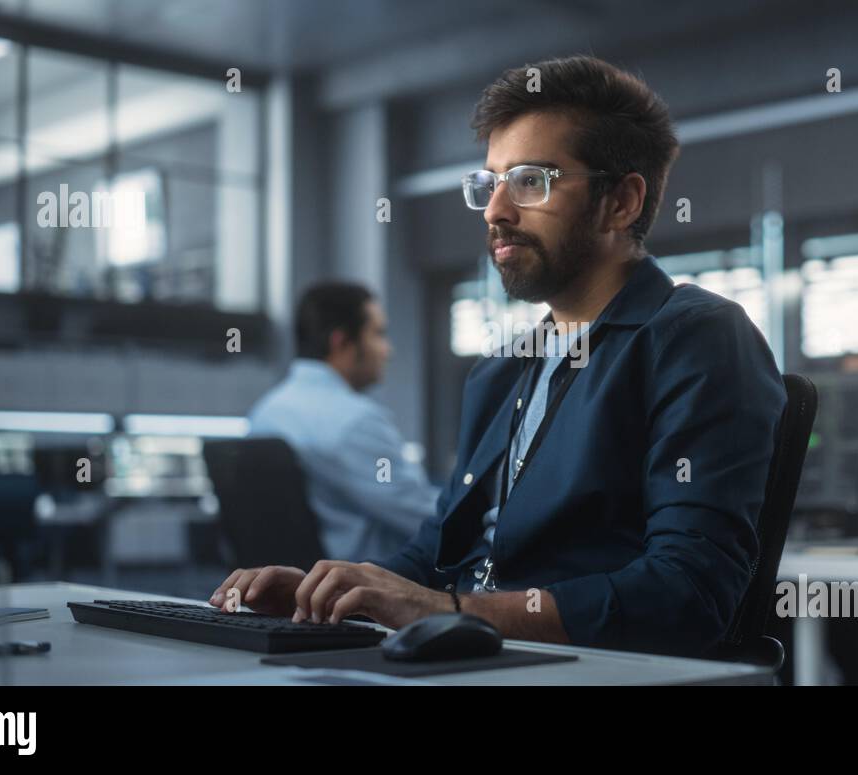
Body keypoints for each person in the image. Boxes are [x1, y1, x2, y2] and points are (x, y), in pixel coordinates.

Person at [212, 55, 786, 658]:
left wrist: (453, 611)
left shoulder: (694, 336)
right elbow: (435, 555)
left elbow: (689, 592)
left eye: (531, 182)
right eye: (490, 183)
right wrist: (328, 592)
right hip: (479, 658)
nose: (495, 212)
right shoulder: (503, 370)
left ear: (621, 203)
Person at [247, 282, 438, 563]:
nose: (388, 350)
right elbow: (425, 516)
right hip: (365, 593)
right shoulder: (356, 420)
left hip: (292, 592)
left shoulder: (264, 412)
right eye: (378, 334)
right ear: (341, 342)